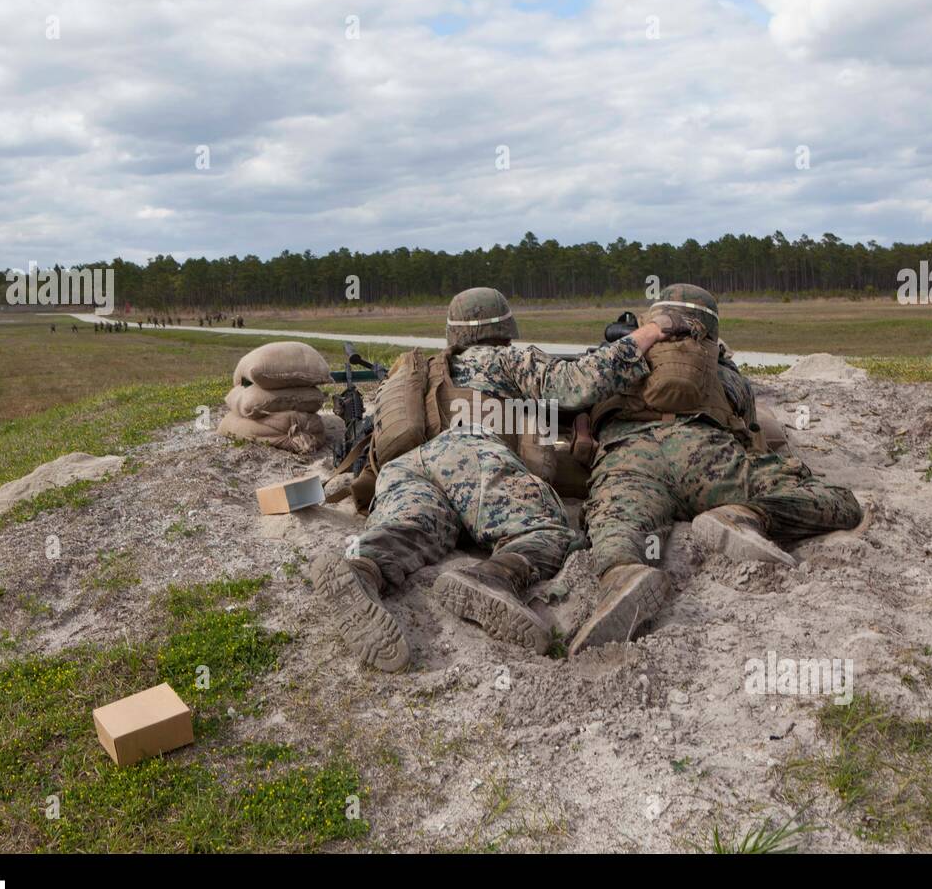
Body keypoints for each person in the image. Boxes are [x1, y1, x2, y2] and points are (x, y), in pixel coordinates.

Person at [309, 287, 694, 672]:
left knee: (412, 530)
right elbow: (577, 382)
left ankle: (362, 568)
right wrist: (648, 334)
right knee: (547, 532)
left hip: (409, 467)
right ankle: (494, 577)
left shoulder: (428, 369)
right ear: (505, 328)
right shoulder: (508, 357)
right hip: (469, 454)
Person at [571, 283, 865, 654]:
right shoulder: (722, 373)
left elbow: (574, 397)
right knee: (839, 502)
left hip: (630, 458)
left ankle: (623, 574)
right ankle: (742, 515)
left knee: (617, 527)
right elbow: (749, 425)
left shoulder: (617, 361)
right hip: (707, 457)